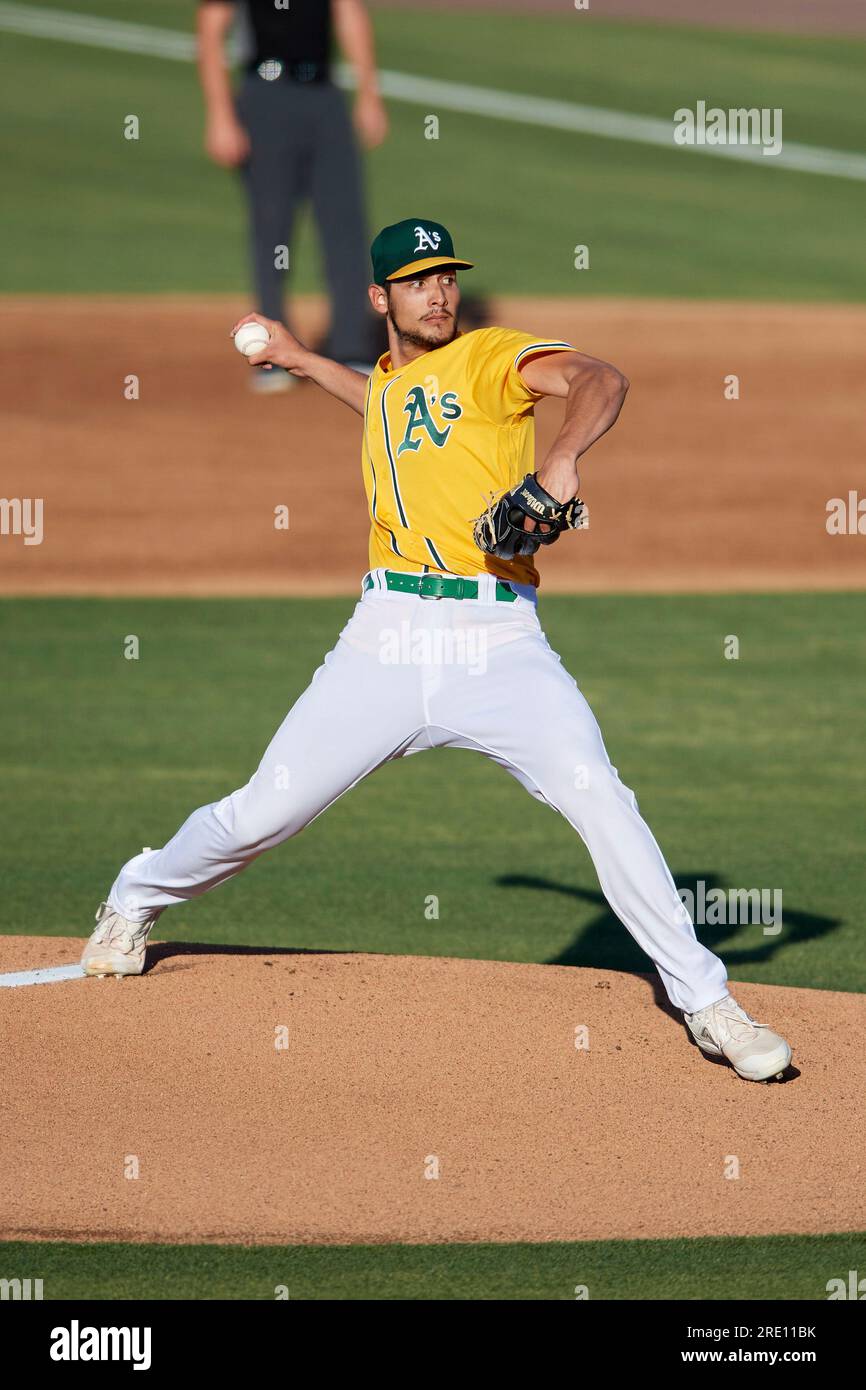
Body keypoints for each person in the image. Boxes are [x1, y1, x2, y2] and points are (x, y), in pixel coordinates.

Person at [81, 217, 793, 1084]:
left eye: (446, 275)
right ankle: (134, 898)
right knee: (261, 813)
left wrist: (563, 455)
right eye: (417, 280)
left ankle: (708, 1002)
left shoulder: (493, 357)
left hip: (501, 645)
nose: (439, 291)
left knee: (597, 793)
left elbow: (599, 377)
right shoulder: (386, 384)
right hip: (382, 642)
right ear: (380, 298)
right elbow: (377, 400)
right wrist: (300, 360)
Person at [196, 0, 387, 391]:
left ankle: (351, 347)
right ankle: (270, 352)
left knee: (345, 223)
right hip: (265, 96)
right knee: (272, 226)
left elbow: (349, 13)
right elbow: (211, 27)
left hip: (325, 95)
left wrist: (369, 93)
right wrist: (219, 113)